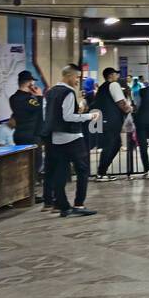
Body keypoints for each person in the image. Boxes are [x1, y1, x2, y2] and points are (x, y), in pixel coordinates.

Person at [44, 64, 99, 218]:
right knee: (83, 170)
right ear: (69, 76)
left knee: (60, 173)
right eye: (77, 77)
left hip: (56, 139)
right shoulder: (68, 93)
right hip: (73, 138)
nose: (77, 81)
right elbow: (68, 117)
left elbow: (49, 114)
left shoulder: (50, 92)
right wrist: (89, 116)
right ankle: (79, 204)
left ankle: (63, 207)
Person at [9, 70, 47, 205]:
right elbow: (39, 111)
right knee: (34, 165)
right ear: (30, 83)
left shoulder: (13, 98)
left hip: (18, 134)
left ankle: (23, 193)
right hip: (32, 136)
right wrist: (40, 96)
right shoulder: (30, 100)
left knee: (22, 165)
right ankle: (30, 194)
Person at [91, 67, 131, 180]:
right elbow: (120, 102)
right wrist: (129, 109)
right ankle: (101, 173)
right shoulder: (113, 85)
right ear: (111, 76)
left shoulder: (102, 87)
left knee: (115, 144)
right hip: (112, 120)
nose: (117, 77)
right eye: (116, 74)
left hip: (103, 119)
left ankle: (102, 171)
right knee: (111, 145)